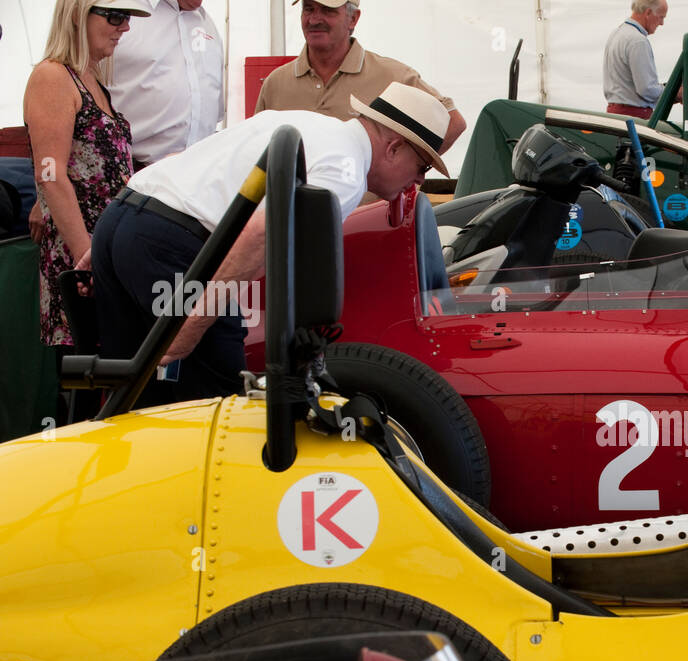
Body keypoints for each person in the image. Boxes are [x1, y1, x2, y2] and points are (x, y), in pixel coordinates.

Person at [92, 81, 450, 405]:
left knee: (130, 394)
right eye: (420, 166)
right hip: (170, 243)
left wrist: (112, 236)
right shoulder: (346, 171)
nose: (418, 179)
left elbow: (185, 162)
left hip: (126, 216)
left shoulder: (305, 123)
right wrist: (192, 328)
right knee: (211, 405)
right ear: (394, 147)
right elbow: (259, 235)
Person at [23, 0, 148, 354]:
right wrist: (86, 256)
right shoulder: (53, 76)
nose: (124, 27)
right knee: (87, 385)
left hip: (104, 261)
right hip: (81, 265)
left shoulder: (90, 80)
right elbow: (49, 173)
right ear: (79, 15)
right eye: (116, 16)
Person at [254, 0, 465, 153]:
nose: (314, 19)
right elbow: (255, 150)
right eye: (308, 8)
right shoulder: (276, 83)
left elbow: (453, 122)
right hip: (291, 214)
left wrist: (410, 171)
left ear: (353, 19)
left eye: (327, 10)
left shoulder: (392, 76)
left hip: (368, 214)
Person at [107, 0, 225, 170]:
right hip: (134, 174)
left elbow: (213, 112)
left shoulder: (207, 24)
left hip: (198, 175)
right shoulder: (122, 14)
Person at [603, 0, 669, 119]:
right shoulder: (638, 41)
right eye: (661, 17)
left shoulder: (617, 33)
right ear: (648, 12)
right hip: (634, 117)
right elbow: (646, 89)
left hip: (615, 114)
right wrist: (673, 92)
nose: (662, 23)